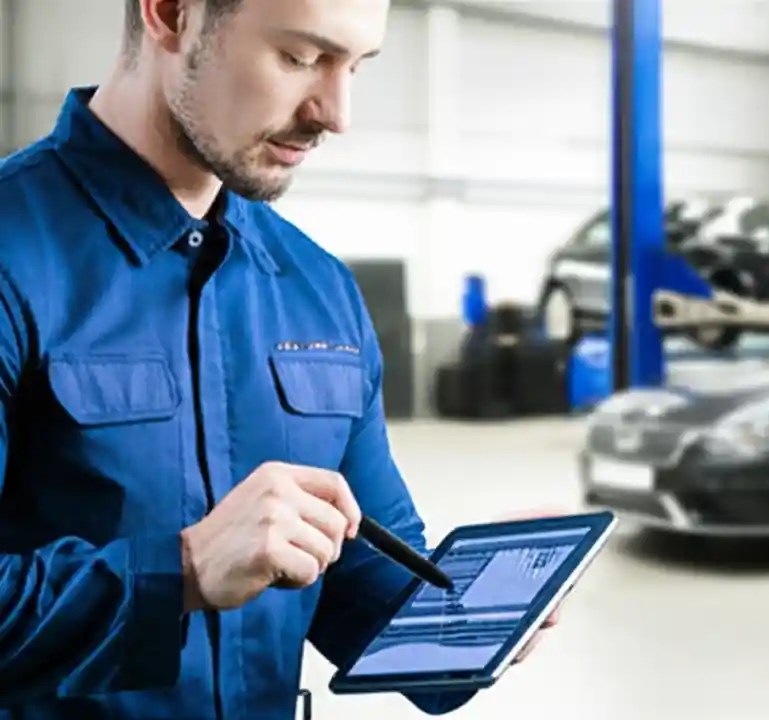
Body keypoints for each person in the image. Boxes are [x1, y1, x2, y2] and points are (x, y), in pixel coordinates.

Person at [0, 0, 558, 716]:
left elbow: (365, 593)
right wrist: (184, 570)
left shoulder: (318, 290)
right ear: (172, 15)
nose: (336, 112)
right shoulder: (15, 256)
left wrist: (477, 617)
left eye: (355, 66)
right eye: (300, 57)